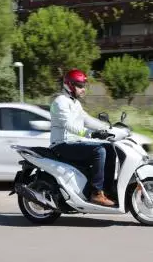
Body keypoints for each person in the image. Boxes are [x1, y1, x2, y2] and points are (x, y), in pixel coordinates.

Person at [49, 68, 116, 207]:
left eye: (84, 86)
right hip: (62, 145)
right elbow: (68, 125)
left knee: (110, 148)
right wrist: (90, 134)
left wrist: (108, 128)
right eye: (80, 86)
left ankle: (106, 190)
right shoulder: (60, 102)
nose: (83, 89)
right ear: (70, 85)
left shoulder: (75, 103)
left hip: (75, 143)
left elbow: (87, 120)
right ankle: (96, 193)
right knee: (99, 151)